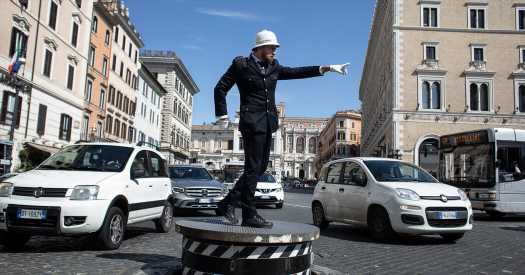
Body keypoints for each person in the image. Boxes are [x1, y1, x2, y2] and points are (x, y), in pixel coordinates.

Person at [215, 30, 348, 228]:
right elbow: (220, 88)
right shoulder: (241, 64)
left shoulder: (274, 67)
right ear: (259, 48)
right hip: (252, 122)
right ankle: (249, 213)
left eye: (276, 48)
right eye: (272, 48)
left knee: (259, 168)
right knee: (253, 167)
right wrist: (223, 115)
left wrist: (325, 68)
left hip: (268, 123)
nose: (275, 52)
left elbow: (296, 72)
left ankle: (227, 204)